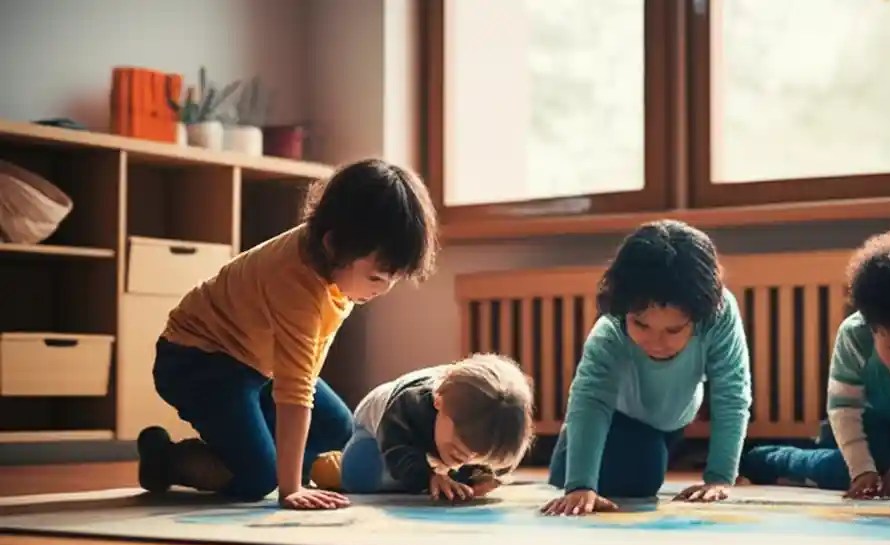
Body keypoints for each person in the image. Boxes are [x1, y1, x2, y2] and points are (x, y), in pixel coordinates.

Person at [136, 158, 438, 511]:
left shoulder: (339, 269)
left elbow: (305, 371)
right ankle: (164, 458)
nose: (383, 290)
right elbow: (295, 391)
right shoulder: (296, 283)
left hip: (258, 362)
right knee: (259, 479)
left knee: (340, 432)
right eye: (376, 277)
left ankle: (252, 448)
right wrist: (290, 488)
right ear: (334, 244)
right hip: (199, 359)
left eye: (393, 279)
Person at [739, 228, 890, 497]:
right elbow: (844, 408)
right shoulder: (854, 338)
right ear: (872, 329)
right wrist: (862, 470)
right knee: (848, 471)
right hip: (872, 430)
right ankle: (770, 458)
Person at [541, 220, 752, 516]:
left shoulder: (718, 316)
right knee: (643, 471)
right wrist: (580, 485)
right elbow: (590, 403)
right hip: (619, 418)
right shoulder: (610, 330)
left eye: (674, 330)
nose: (656, 341)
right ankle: (568, 458)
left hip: (671, 423)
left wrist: (719, 477)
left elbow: (732, 393)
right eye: (641, 324)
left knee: (649, 457)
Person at [309, 353, 535, 502]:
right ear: (439, 403)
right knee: (361, 476)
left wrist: (491, 476)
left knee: (460, 475)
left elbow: (503, 455)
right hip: (376, 431)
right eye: (458, 446)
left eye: (476, 453)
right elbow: (396, 447)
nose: (465, 455)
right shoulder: (408, 406)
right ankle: (329, 464)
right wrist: (427, 476)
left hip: (430, 434)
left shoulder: (492, 423)